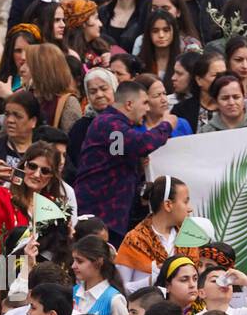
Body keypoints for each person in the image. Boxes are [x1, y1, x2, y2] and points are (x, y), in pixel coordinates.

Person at [74, 80, 177, 244]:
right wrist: (167, 125)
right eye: (144, 103)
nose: (148, 109)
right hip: (98, 215)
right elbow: (142, 144)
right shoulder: (109, 123)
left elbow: (116, 160)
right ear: (129, 104)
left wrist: (138, 165)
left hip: (111, 216)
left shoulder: (115, 126)